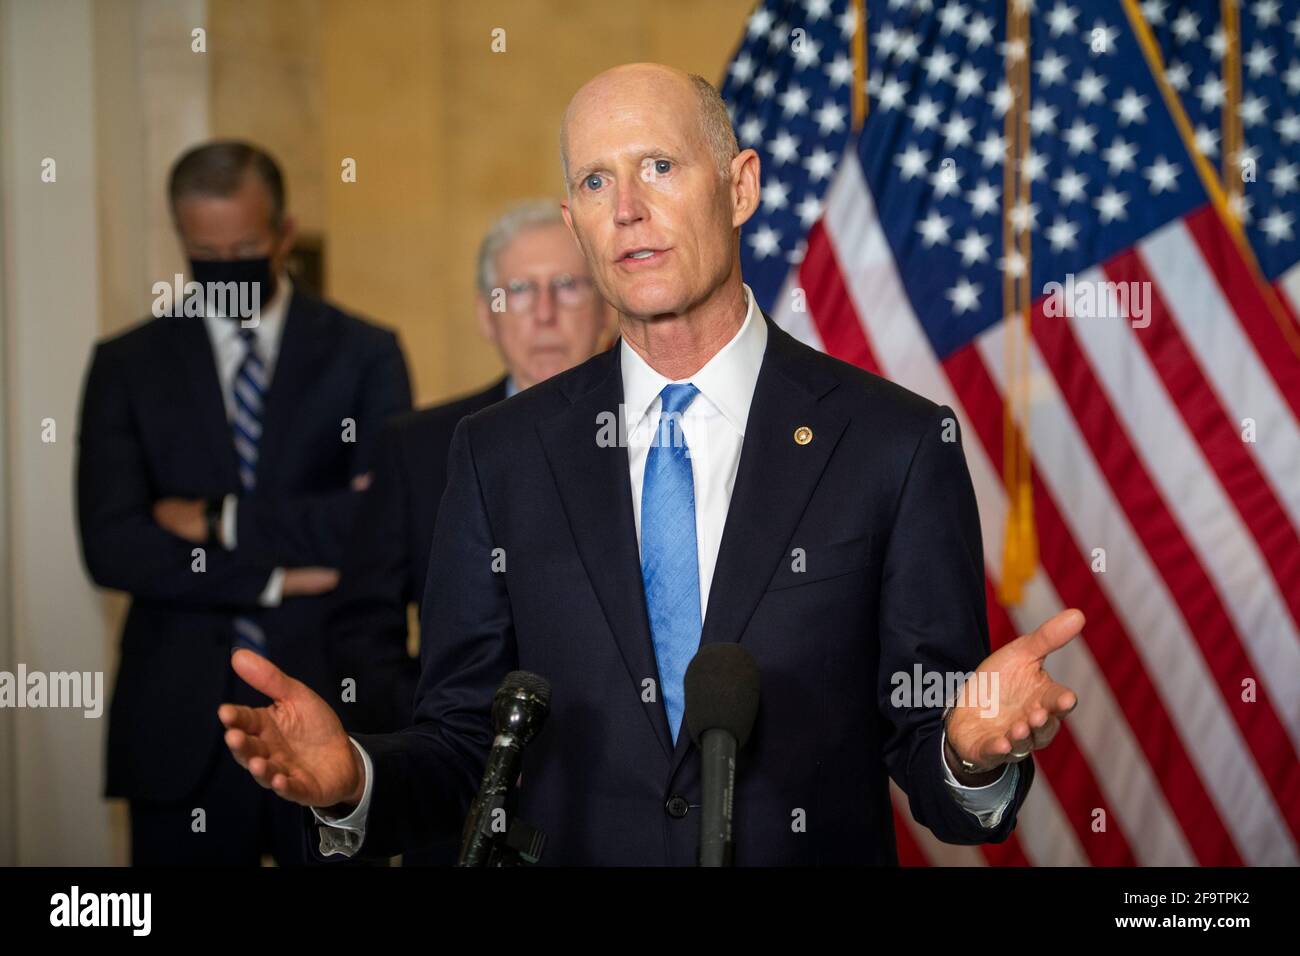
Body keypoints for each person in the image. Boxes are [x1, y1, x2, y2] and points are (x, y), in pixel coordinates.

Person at [220, 66, 1082, 866]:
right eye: (596, 182)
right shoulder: (500, 455)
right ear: (576, 224)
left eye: (660, 166)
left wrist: (968, 757)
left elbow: (935, 766)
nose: (627, 206)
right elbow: (461, 748)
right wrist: (356, 783)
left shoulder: (893, 443)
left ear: (740, 186)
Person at [76, 140, 412, 865]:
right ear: (182, 240)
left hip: (334, 713)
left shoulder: (365, 353)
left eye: (246, 247)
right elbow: (113, 544)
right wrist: (274, 576)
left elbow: (379, 524)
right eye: (206, 250)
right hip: (177, 726)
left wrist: (216, 520)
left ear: (283, 233)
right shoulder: (128, 365)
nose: (227, 266)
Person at [326, 198, 612, 862]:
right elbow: (358, 631)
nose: (543, 312)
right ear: (488, 315)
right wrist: (463, 736)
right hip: (455, 814)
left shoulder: (658, 436)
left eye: (567, 286)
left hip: (617, 804)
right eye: (519, 291)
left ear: (605, 307)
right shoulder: (419, 447)